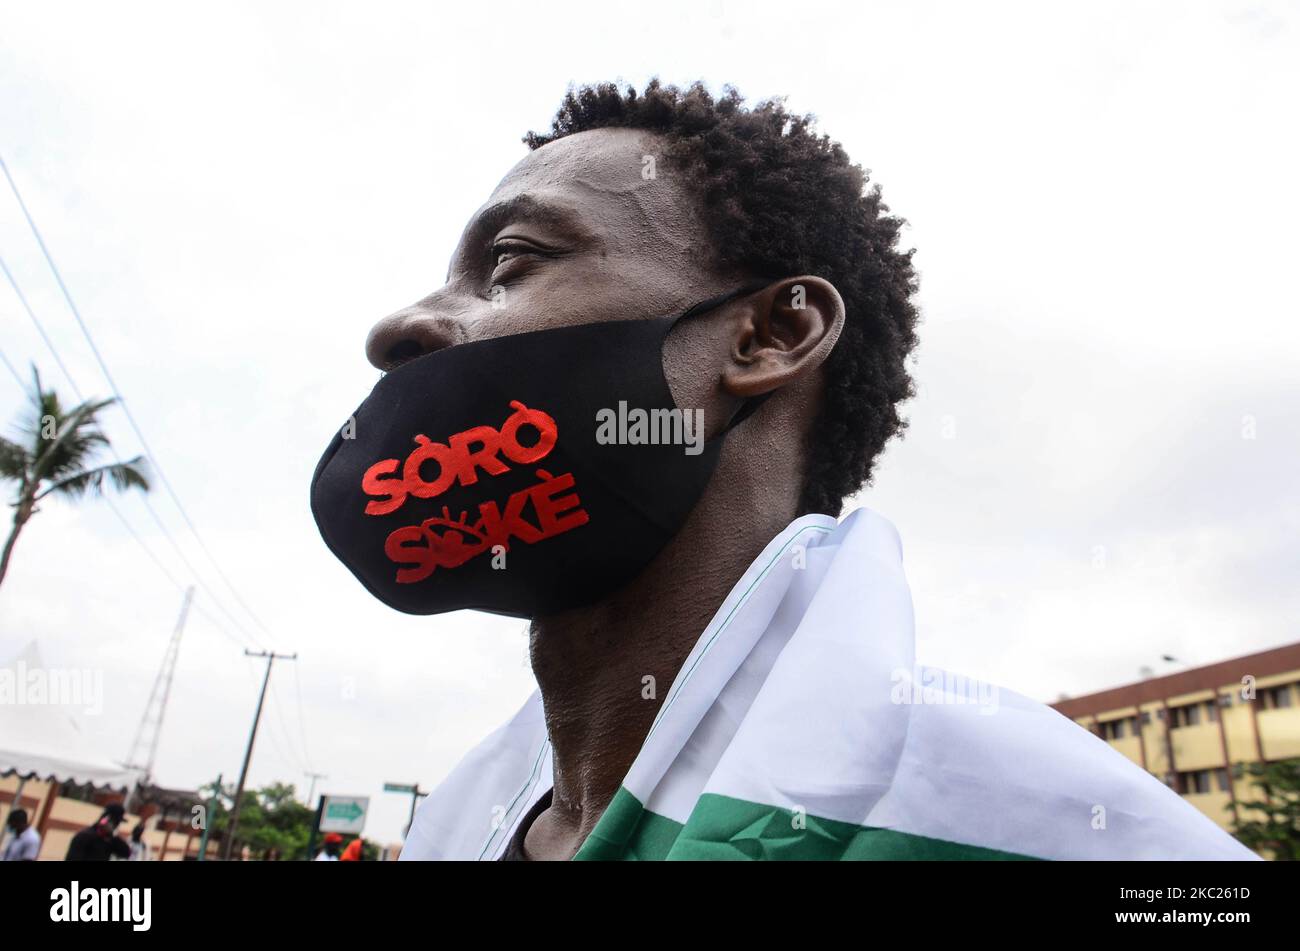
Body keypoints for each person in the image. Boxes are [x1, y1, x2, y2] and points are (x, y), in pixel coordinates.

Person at [317, 80, 1256, 861]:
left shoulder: (1068, 840)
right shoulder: (448, 829)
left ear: (772, 334)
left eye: (513, 260)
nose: (399, 327)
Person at [65, 804, 131, 861]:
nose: (117, 825)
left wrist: (114, 836)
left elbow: (126, 853)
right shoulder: (84, 836)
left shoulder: (110, 840)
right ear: (106, 819)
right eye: (116, 822)